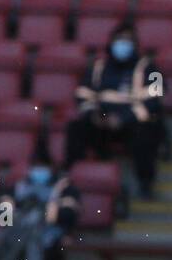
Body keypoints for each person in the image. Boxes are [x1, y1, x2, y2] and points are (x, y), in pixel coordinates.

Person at [66, 22, 163, 199]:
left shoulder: (147, 67)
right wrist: (96, 116)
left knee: (145, 134)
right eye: (119, 40)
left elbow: (153, 103)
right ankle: (68, 181)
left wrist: (123, 119)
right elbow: (83, 94)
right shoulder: (98, 66)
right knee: (76, 127)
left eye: (128, 41)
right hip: (102, 119)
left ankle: (145, 183)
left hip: (132, 123)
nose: (123, 45)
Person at [1, 145, 79, 260]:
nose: (39, 170)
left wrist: (49, 214)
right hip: (22, 234)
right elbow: (4, 217)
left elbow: (69, 214)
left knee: (54, 250)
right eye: (36, 166)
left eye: (43, 166)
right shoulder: (18, 187)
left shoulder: (64, 189)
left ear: (51, 168)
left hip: (51, 234)